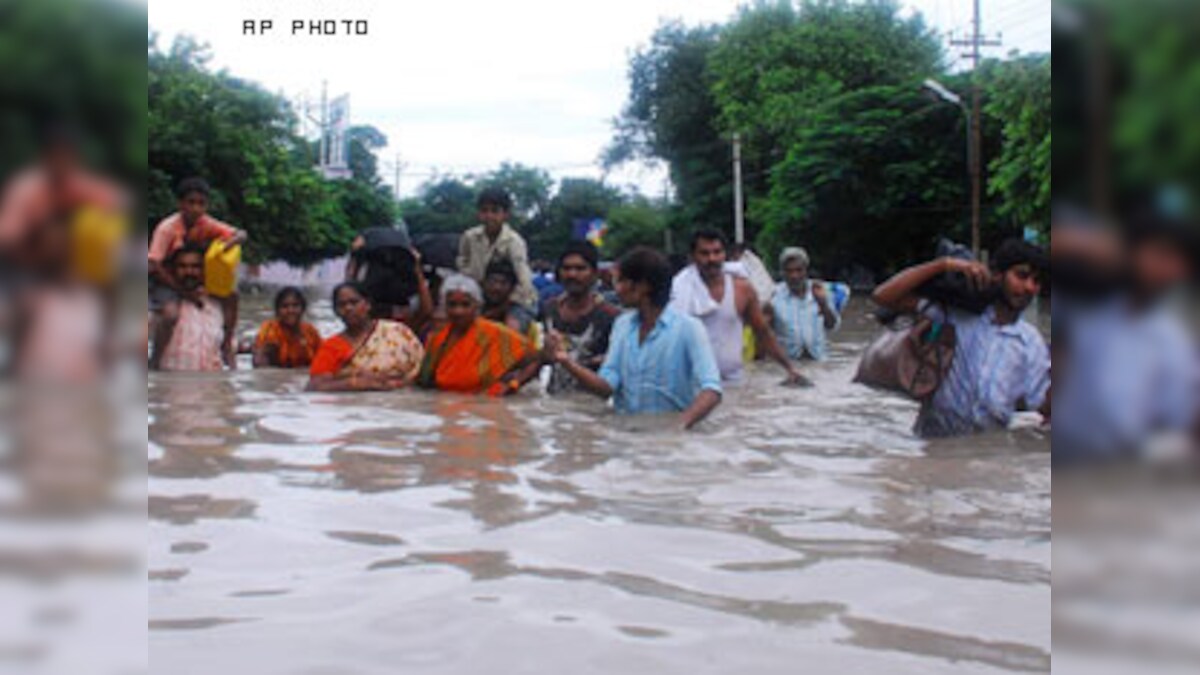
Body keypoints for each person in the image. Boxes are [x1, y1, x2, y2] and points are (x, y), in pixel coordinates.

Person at [1052, 211, 1197, 461]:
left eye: (1177, 261)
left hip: (1124, 467)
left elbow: (1181, 415)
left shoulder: (1171, 337)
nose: (1169, 270)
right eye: (1161, 255)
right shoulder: (1081, 311)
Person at [871, 238, 1051, 437]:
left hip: (989, 448)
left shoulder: (1031, 343)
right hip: (933, 441)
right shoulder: (953, 315)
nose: (1029, 287)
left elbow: (1040, 408)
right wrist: (943, 265)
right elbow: (883, 296)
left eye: (1037, 281)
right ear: (997, 275)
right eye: (1022, 276)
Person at [545, 247, 723, 429]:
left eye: (621, 281)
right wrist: (566, 361)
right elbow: (607, 387)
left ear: (642, 287)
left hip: (672, 439)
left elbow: (712, 390)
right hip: (626, 435)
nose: (617, 289)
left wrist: (679, 426)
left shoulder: (689, 328)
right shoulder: (622, 325)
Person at [669, 229, 806, 385]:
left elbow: (762, 331)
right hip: (692, 382)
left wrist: (789, 368)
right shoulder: (680, 292)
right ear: (692, 257)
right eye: (704, 253)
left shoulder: (742, 289)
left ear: (725, 254)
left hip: (733, 381)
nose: (712, 258)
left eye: (717, 252)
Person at [148, 177, 248, 366]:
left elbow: (241, 234)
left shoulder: (206, 223)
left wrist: (230, 243)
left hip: (192, 274)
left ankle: (227, 342)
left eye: (201, 204)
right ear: (180, 204)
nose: (196, 208)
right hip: (163, 276)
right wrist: (183, 292)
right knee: (170, 315)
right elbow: (153, 265)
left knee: (232, 295)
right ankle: (155, 358)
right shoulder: (166, 229)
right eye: (191, 202)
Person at [417, 274, 541, 396]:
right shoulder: (437, 338)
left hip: (484, 404)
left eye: (465, 305)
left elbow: (536, 359)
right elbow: (424, 382)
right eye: (452, 304)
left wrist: (513, 385)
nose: (458, 311)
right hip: (444, 403)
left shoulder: (495, 333)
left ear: (476, 306)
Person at [307, 282, 425, 392]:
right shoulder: (332, 347)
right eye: (342, 305)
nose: (348, 308)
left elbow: (423, 372)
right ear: (336, 311)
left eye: (354, 302)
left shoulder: (398, 332)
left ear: (368, 304)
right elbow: (315, 386)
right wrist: (356, 383)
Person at [541, 240, 621, 394]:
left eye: (580, 268)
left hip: (592, 403)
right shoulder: (550, 309)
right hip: (554, 400)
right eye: (566, 268)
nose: (572, 274)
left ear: (595, 274)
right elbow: (542, 360)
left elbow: (617, 370)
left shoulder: (610, 317)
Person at [149, 244, 227, 372]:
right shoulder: (162, 306)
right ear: (173, 270)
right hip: (170, 381)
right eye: (182, 266)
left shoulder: (218, 304)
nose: (189, 272)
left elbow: (227, 348)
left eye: (196, 267)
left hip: (212, 381)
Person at [456, 187, 537, 309]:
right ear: (478, 213)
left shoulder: (514, 241)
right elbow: (462, 265)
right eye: (484, 211)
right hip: (478, 296)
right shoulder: (469, 237)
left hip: (514, 299)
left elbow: (523, 279)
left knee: (514, 319)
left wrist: (505, 305)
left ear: (505, 215)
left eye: (495, 211)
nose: (489, 216)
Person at [344, 224, 433, 327]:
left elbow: (347, 294)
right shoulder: (401, 327)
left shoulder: (360, 326)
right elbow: (426, 311)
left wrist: (355, 258)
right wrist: (416, 267)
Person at [764, 247, 841, 361]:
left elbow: (832, 326)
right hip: (788, 362)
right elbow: (763, 336)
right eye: (789, 271)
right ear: (782, 272)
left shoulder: (820, 291)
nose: (794, 276)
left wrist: (823, 305)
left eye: (799, 270)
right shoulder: (773, 297)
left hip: (818, 360)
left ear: (806, 270)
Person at [252, 287, 323, 369]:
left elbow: (323, 358)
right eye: (285, 306)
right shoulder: (270, 330)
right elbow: (260, 364)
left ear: (302, 309)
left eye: (295, 305)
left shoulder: (310, 331)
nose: (290, 310)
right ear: (277, 311)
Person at [480, 258, 536, 335]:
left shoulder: (518, 311)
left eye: (503, 283)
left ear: (512, 287)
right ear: (484, 283)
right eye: (493, 281)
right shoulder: (473, 306)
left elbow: (513, 333)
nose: (497, 287)